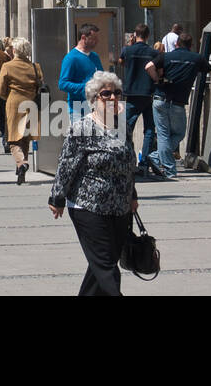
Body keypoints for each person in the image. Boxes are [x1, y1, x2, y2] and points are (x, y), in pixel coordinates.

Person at [48, 70, 138, 296]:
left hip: (119, 207)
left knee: (100, 266)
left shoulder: (122, 126)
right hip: (88, 206)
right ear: (93, 99)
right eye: (105, 93)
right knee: (106, 265)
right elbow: (66, 166)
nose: (112, 98)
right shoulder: (81, 129)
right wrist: (57, 198)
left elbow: (127, 164)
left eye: (116, 92)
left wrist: (133, 196)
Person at [145, 33, 211, 180]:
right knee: (179, 133)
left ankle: (156, 156)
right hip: (177, 103)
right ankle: (169, 169)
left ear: (177, 44)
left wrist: (157, 79)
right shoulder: (197, 59)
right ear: (191, 45)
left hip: (160, 99)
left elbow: (149, 66)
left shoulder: (166, 56)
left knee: (163, 134)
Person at [0, 37, 41, 184]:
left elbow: (0, 90)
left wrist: (7, 96)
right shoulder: (35, 67)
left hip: (14, 104)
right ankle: (21, 170)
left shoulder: (7, 66)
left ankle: (21, 163)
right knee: (25, 138)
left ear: (14, 50)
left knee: (13, 139)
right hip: (32, 104)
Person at [118, 24, 159, 176]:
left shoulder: (127, 50)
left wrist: (130, 45)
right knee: (149, 130)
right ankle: (144, 163)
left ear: (135, 35)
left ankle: (126, 160)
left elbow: (121, 62)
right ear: (148, 36)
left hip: (131, 94)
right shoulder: (153, 53)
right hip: (148, 94)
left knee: (126, 128)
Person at [59, 23, 103, 117]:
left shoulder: (95, 57)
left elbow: (102, 77)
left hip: (95, 109)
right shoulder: (71, 58)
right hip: (77, 111)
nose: (97, 41)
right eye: (94, 39)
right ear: (83, 38)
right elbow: (62, 84)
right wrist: (86, 87)